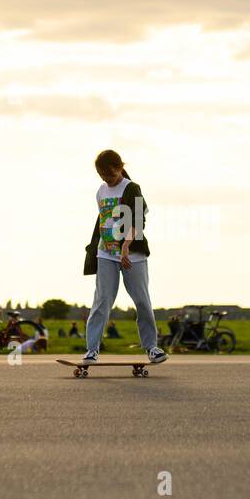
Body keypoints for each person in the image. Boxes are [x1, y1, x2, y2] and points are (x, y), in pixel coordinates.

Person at [82, 149, 167, 364]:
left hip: (133, 255)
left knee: (142, 301)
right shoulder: (101, 191)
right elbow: (104, 221)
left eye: (109, 175)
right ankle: (92, 349)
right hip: (106, 253)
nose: (106, 179)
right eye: (102, 175)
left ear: (119, 168)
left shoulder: (132, 188)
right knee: (101, 302)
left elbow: (138, 220)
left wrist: (126, 246)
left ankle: (152, 348)